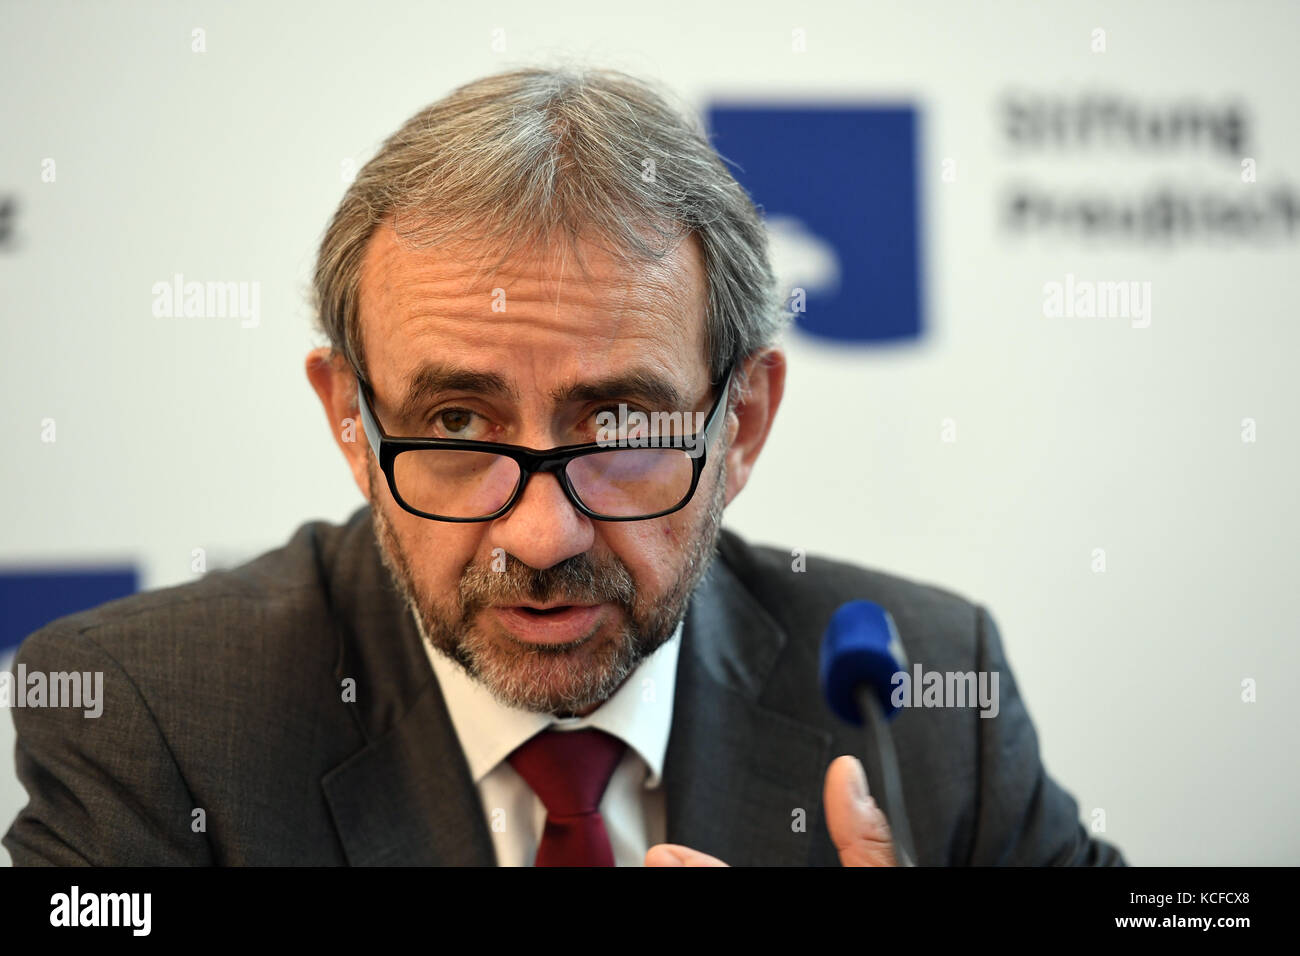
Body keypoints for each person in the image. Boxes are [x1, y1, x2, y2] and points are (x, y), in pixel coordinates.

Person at [3, 67, 1124, 867]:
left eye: (621, 425)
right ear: (352, 422)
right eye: (456, 421)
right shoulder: (157, 720)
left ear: (740, 423)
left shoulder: (922, 703)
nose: (541, 537)